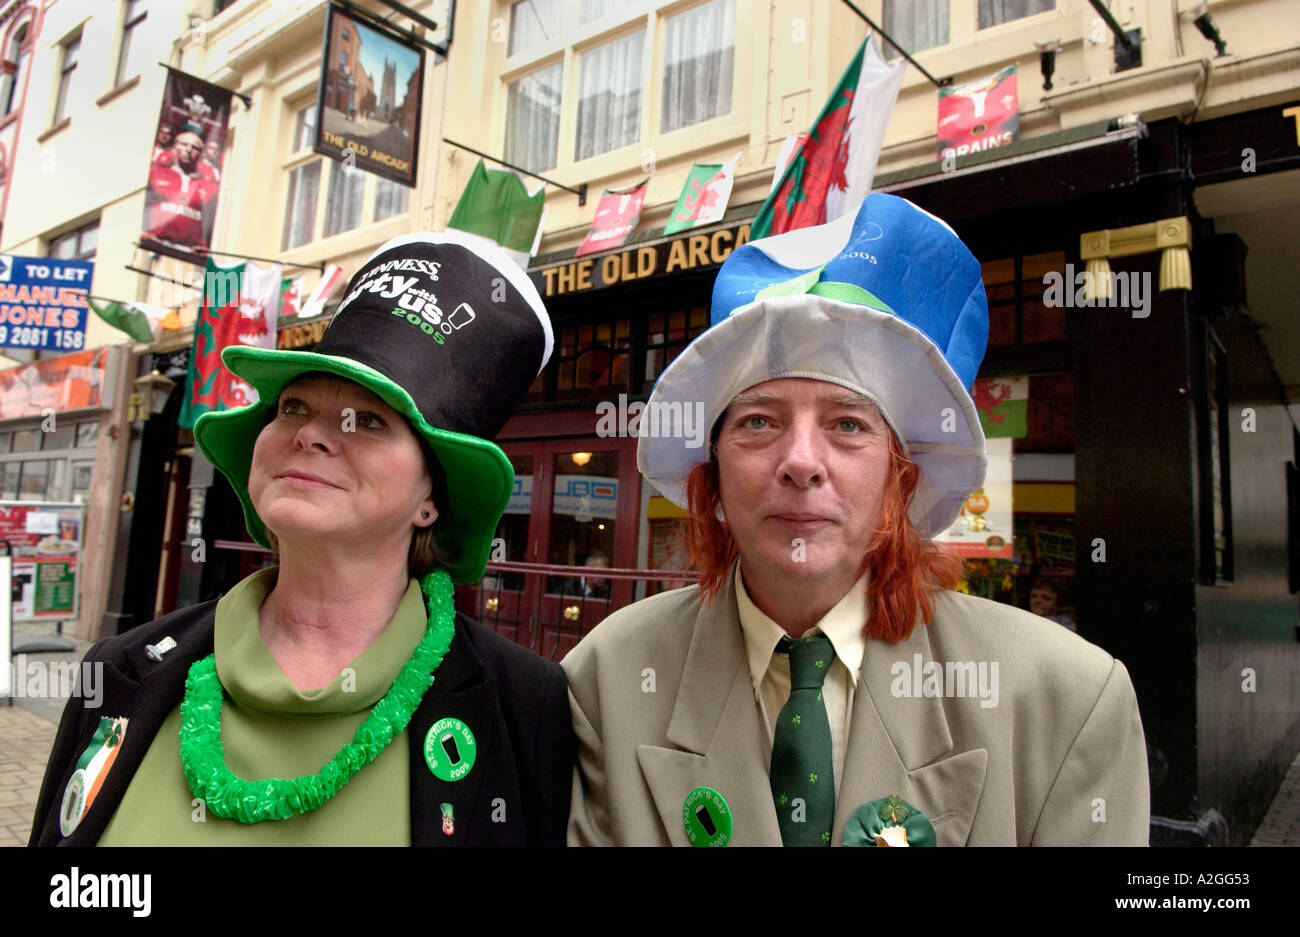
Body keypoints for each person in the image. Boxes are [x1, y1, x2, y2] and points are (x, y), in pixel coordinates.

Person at [562, 194, 1149, 846]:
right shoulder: (604, 682)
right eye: (759, 420)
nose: (801, 461)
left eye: (847, 423)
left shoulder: (1066, 701)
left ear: (901, 477)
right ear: (713, 472)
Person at [30, 232, 574, 845]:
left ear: (430, 499)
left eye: (369, 420)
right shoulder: (121, 669)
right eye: (292, 407)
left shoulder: (524, 705)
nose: (312, 434)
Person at [143, 126, 219, 250]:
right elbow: (144, 203)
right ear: (175, 147)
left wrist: (205, 246)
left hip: (190, 251)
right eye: (184, 144)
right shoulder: (156, 173)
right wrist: (142, 230)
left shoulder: (209, 186)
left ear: (201, 154)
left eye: (195, 147)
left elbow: (211, 219)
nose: (189, 150)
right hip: (155, 242)